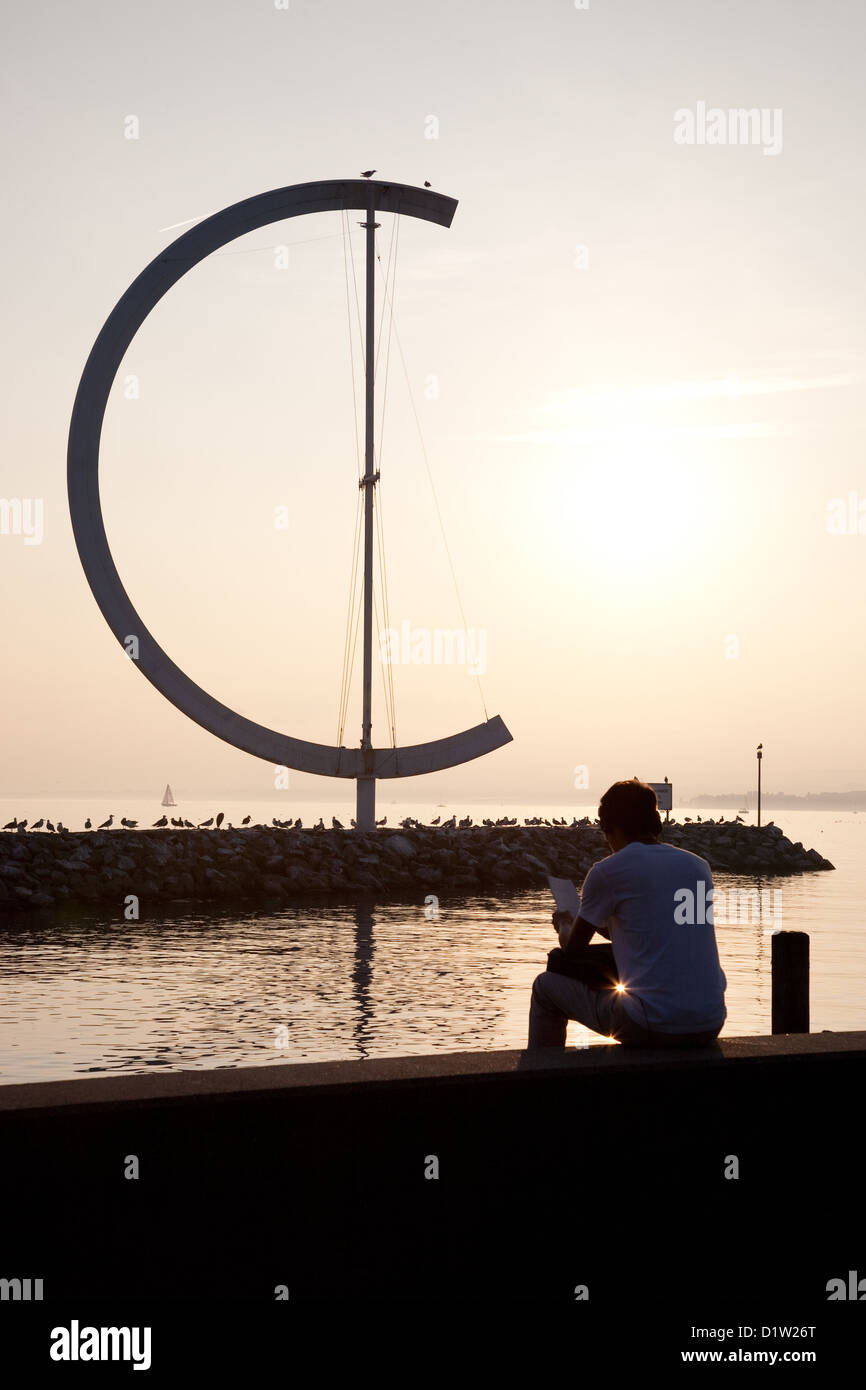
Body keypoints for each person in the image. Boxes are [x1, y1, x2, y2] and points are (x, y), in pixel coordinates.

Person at [527, 779, 727, 1049]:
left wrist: (565, 922)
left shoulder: (607, 871)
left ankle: (540, 1079)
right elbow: (656, 930)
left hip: (652, 1023)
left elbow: (572, 951)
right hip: (710, 1021)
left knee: (545, 987)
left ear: (609, 826)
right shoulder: (697, 867)